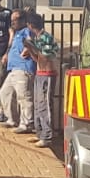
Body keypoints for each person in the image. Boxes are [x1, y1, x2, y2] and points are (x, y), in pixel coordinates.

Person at [0, 9, 35, 133]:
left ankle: (26, 124)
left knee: (24, 97)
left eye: (16, 19)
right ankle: (12, 119)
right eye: (12, 20)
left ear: (24, 20)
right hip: (13, 69)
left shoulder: (27, 31)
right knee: (5, 93)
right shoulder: (16, 33)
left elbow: (31, 41)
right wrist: (6, 54)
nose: (13, 22)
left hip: (23, 68)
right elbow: (11, 46)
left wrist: (27, 49)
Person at [24, 12, 57, 146]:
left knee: (45, 105)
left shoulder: (45, 37)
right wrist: (30, 48)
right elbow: (37, 58)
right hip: (40, 73)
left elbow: (46, 56)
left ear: (30, 25)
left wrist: (32, 47)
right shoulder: (37, 38)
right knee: (38, 105)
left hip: (47, 74)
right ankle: (40, 133)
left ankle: (47, 136)